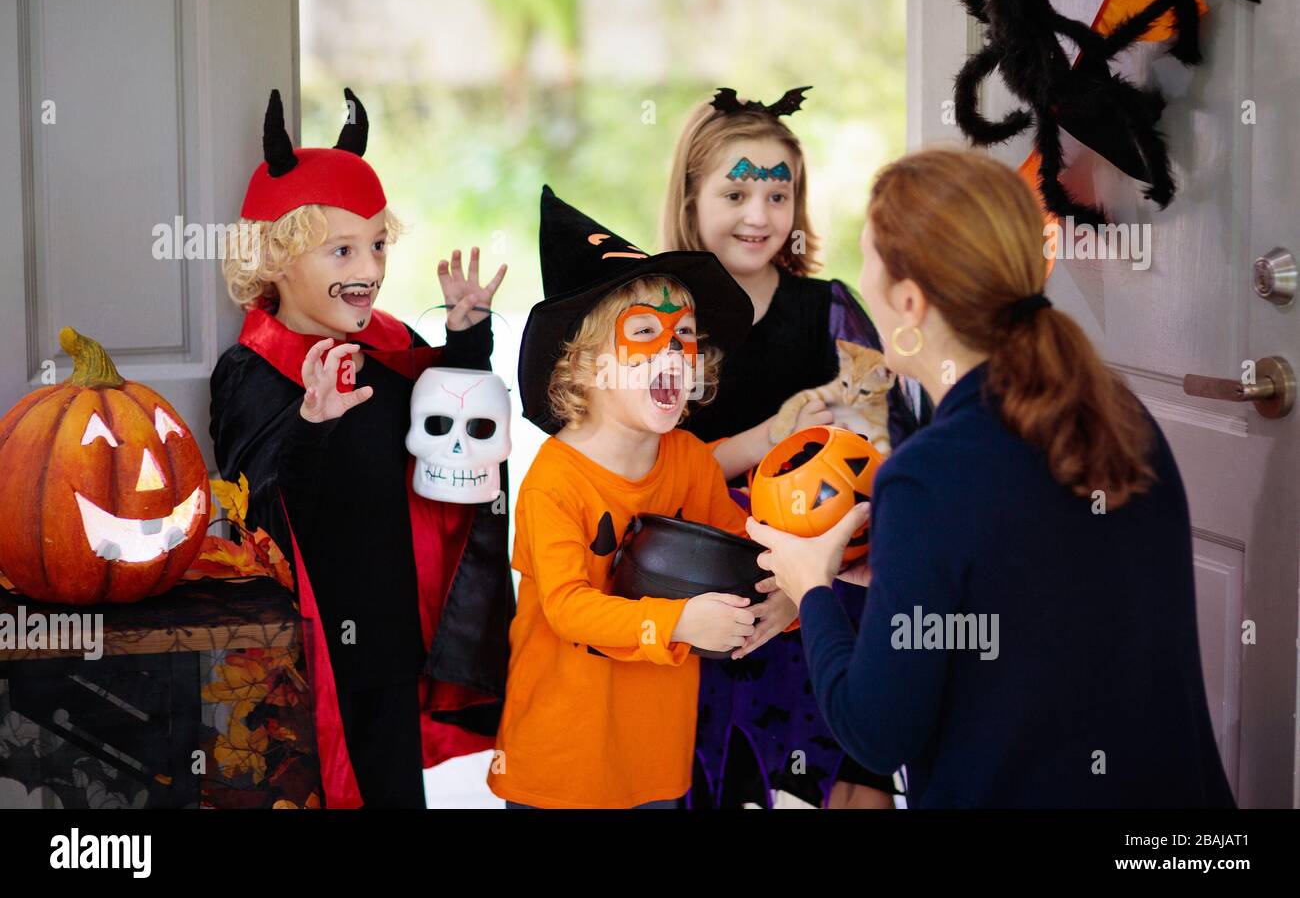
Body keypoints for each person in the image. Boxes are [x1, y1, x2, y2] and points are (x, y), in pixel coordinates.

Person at [748, 147, 1236, 807]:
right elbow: (1033, 592)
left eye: (866, 259)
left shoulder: (928, 476)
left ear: (911, 301)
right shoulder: (1120, 416)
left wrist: (810, 589)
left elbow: (875, 732)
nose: (858, 279)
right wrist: (898, 565)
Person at [210, 89, 514, 808]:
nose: (370, 268)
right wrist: (313, 419)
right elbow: (267, 525)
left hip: (390, 634)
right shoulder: (254, 373)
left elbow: (452, 450)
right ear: (277, 258)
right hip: (312, 653)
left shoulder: (386, 351)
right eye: (342, 249)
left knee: (393, 790)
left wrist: (467, 339)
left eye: (378, 243)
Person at [487, 188, 798, 809]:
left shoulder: (686, 458)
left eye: (683, 336)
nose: (673, 352)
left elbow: (745, 551)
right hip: (560, 763)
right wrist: (681, 620)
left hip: (654, 758)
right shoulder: (554, 478)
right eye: (647, 333)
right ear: (585, 366)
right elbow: (570, 610)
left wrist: (783, 599)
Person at [660, 87, 926, 809]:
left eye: (779, 195)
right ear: (691, 196)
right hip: (691, 591)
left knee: (832, 783)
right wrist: (769, 437)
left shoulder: (830, 309)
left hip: (822, 587)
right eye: (736, 192)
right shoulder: (650, 313)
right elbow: (640, 474)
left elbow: (886, 464)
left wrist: (808, 587)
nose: (759, 216)